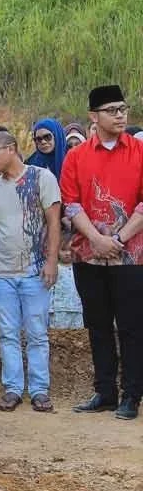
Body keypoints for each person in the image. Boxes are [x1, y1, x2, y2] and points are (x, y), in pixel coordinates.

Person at [62, 85, 143, 420]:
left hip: (132, 255)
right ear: (93, 116)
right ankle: (105, 391)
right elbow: (71, 203)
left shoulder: (139, 151)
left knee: (132, 326)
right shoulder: (76, 156)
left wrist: (118, 239)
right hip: (88, 254)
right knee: (97, 325)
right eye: (112, 110)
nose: (120, 115)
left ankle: (132, 395)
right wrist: (96, 238)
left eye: (123, 109)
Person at [0, 131, 61, 412]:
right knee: (7, 332)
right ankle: (12, 388)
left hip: (35, 269)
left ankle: (39, 390)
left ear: (10, 149)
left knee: (37, 332)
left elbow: (54, 222)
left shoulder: (42, 178)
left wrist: (51, 261)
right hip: (2, 272)